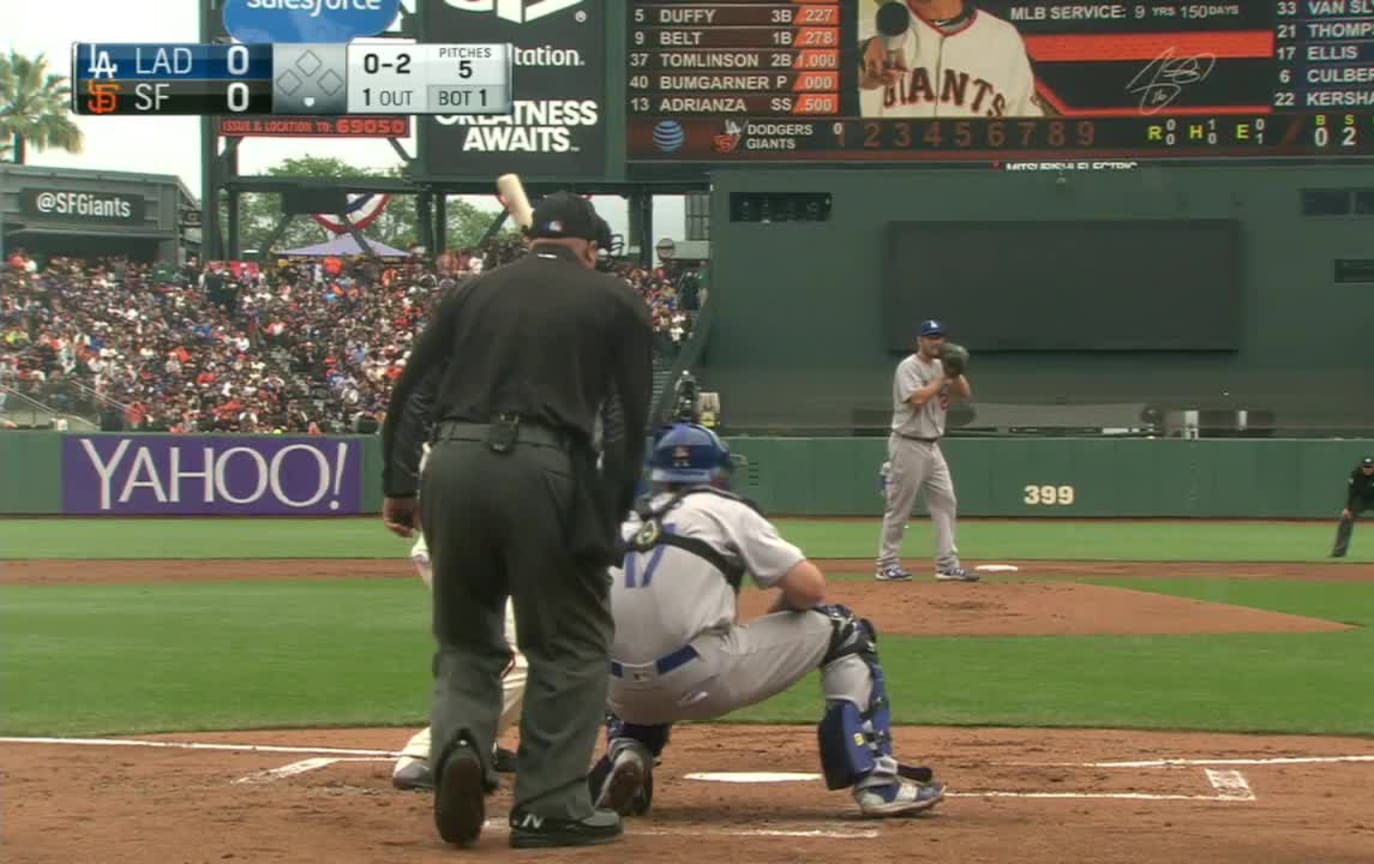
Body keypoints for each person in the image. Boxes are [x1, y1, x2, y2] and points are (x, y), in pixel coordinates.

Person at [378, 191, 654, 850]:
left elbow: (413, 387)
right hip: (547, 466)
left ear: (535, 240)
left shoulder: (471, 293)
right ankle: (550, 806)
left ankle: (460, 750)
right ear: (590, 248)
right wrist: (608, 512)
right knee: (569, 642)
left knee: (466, 637)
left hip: (450, 461)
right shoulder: (615, 300)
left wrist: (397, 485)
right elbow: (625, 417)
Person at [585, 423, 947, 819]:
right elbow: (810, 590)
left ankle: (628, 749)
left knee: (641, 643)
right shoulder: (724, 509)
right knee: (844, 630)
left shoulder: (623, 520)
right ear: (718, 473)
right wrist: (775, 619)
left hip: (618, 691)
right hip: (700, 676)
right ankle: (878, 782)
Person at [389, 442, 527, 792]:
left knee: (521, 643)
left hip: (491, 550)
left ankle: (481, 741)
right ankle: (427, 752)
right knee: (520, 655)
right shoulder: (457, 427)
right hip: (457, 550)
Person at [875, 319, 976, 582]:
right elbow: (918, 399)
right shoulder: (908, 367)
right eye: (930, 337)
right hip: (908, 442)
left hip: (932, 446)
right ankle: (886, 564)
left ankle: (947, 564)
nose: (936, 341)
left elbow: (965, 393)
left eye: (939, 337)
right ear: (919, 340)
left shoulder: (944, 366)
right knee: (900, 507)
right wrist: (943, 377)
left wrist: (956, 371)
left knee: (946, 502)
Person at [857, 0, 1045, 119]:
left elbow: (1027, 127)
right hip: (891, 174)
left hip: (976, 176)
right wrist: (865, 51)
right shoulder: (868, 22)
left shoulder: (1002, 37)